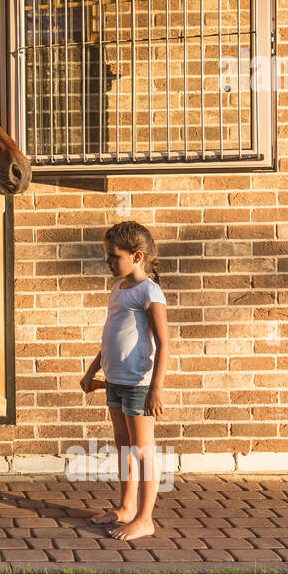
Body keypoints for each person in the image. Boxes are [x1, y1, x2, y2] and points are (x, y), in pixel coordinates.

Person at [79, 220, 170, 542]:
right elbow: (110, 339)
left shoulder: (149, 291)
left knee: (142, 451)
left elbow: (164, 342)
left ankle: (145, 519)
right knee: (123, 447)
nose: (107, 262)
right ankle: (126, 508)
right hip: (115, 382)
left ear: (137, 256)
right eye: (106, 256)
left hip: (138, 386)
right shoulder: (119, 289)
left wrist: (156, 388)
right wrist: (93, 371)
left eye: (112, 256)